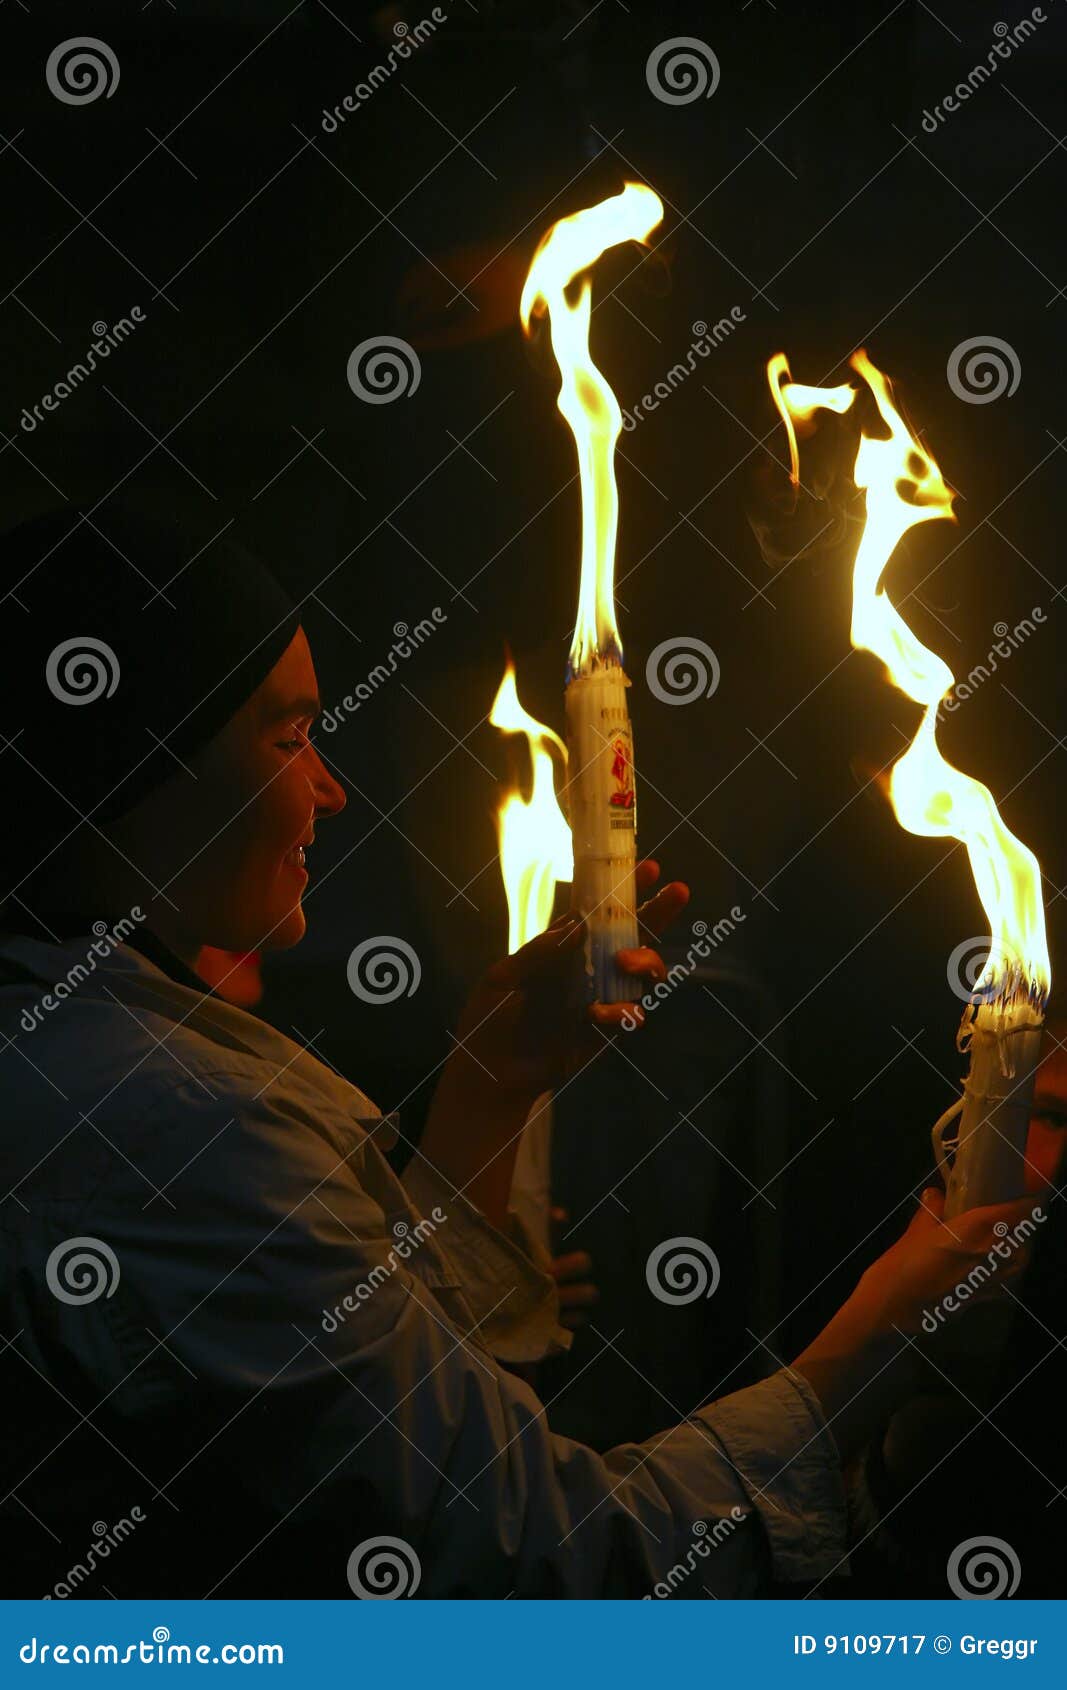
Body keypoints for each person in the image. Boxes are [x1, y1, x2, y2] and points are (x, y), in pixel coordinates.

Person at [0, 504, 1036, 1599]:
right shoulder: (180, 1122)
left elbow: (369, 1409)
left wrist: (487, 1098)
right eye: (289, 737)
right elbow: (544, 1560)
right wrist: (873, 1342)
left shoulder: (85, 1043)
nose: (331, 788)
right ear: (144, 764)